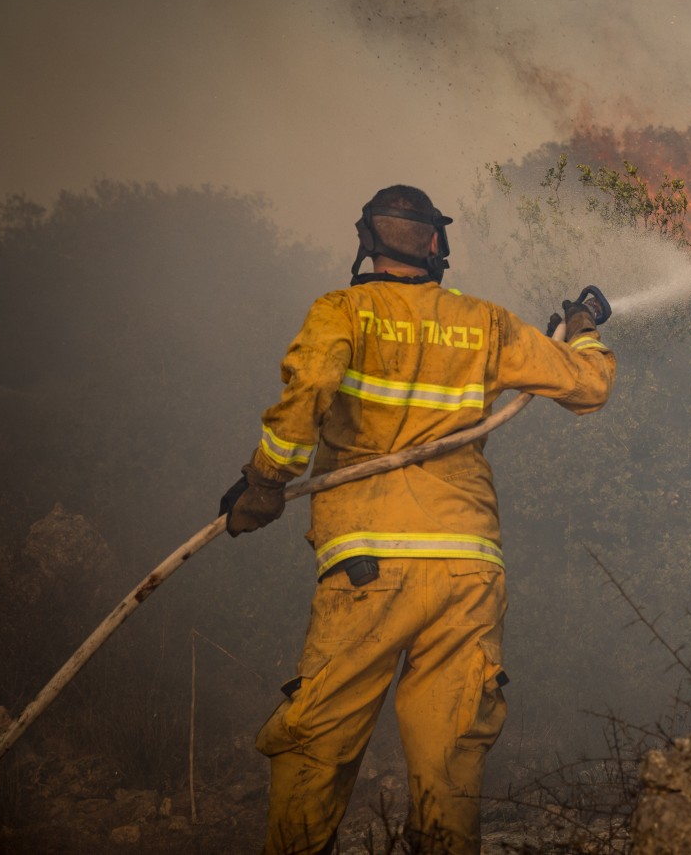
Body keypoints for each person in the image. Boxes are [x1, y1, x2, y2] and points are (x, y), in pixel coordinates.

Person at [218, 185, 616, 854]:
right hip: (466, 569)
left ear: (366, 244)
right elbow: (589, 385)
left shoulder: (341, 310)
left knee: (316, 743)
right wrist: (583, 330)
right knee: (451, 755)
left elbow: (308, 390)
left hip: (368, 568)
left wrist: (264, 483)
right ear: (436, 243)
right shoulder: (483, 322)